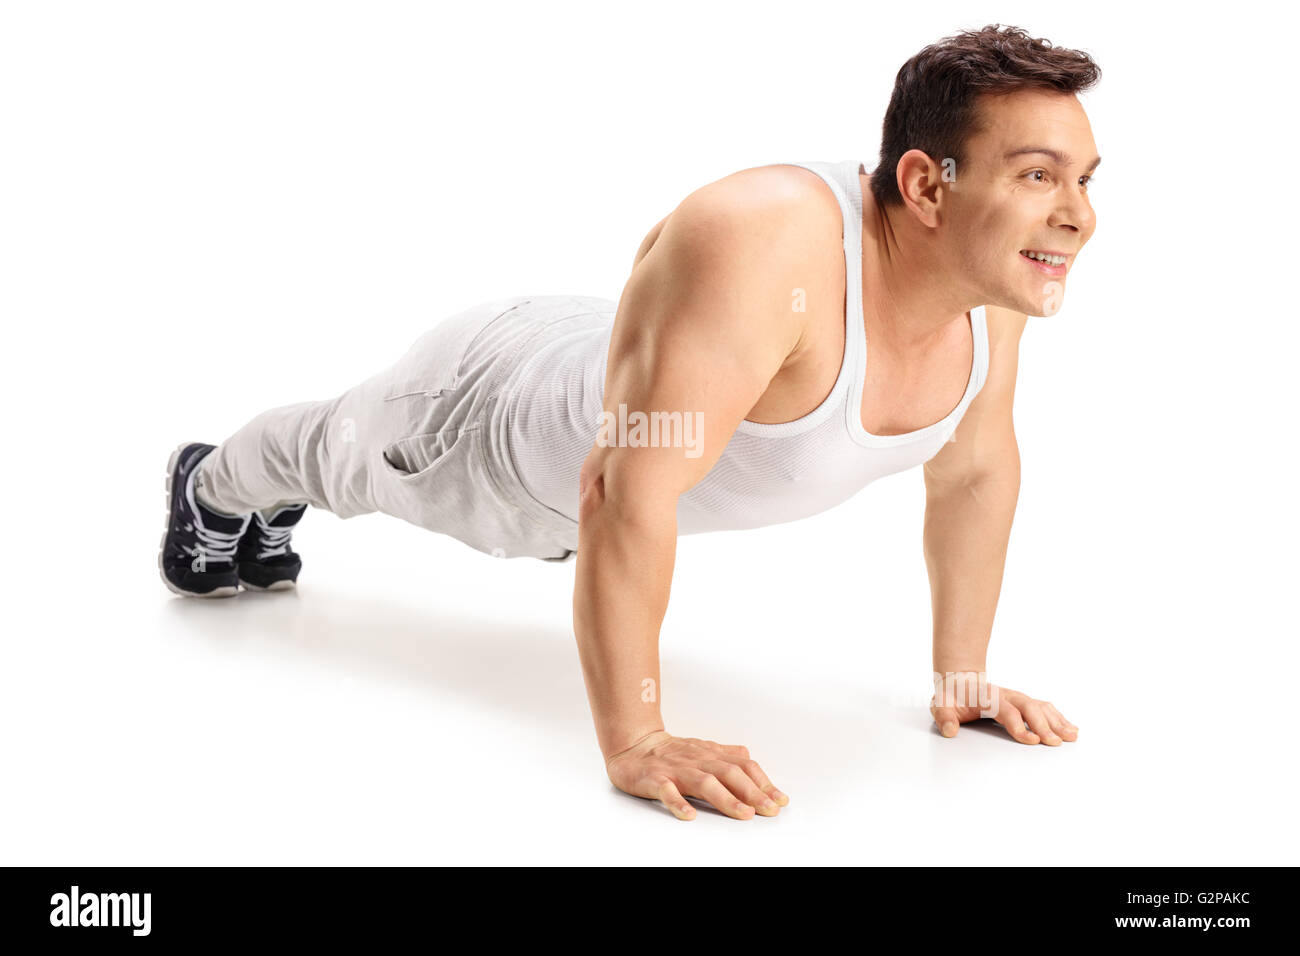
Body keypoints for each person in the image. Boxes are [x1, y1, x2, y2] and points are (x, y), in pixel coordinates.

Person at [159, 24, 1098, 820]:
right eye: (1038, 176)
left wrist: (963, 678)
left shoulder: (995, 280)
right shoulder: (765, 240)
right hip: (484, 423)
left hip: (637, 376)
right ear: (928, 187)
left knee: (376, 462)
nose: (1078, 217)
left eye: (1086, 181)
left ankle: (242, 495)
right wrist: (637, 739)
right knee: (334, 455)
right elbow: (619, 488)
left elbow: (974, 468)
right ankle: (208, 487)